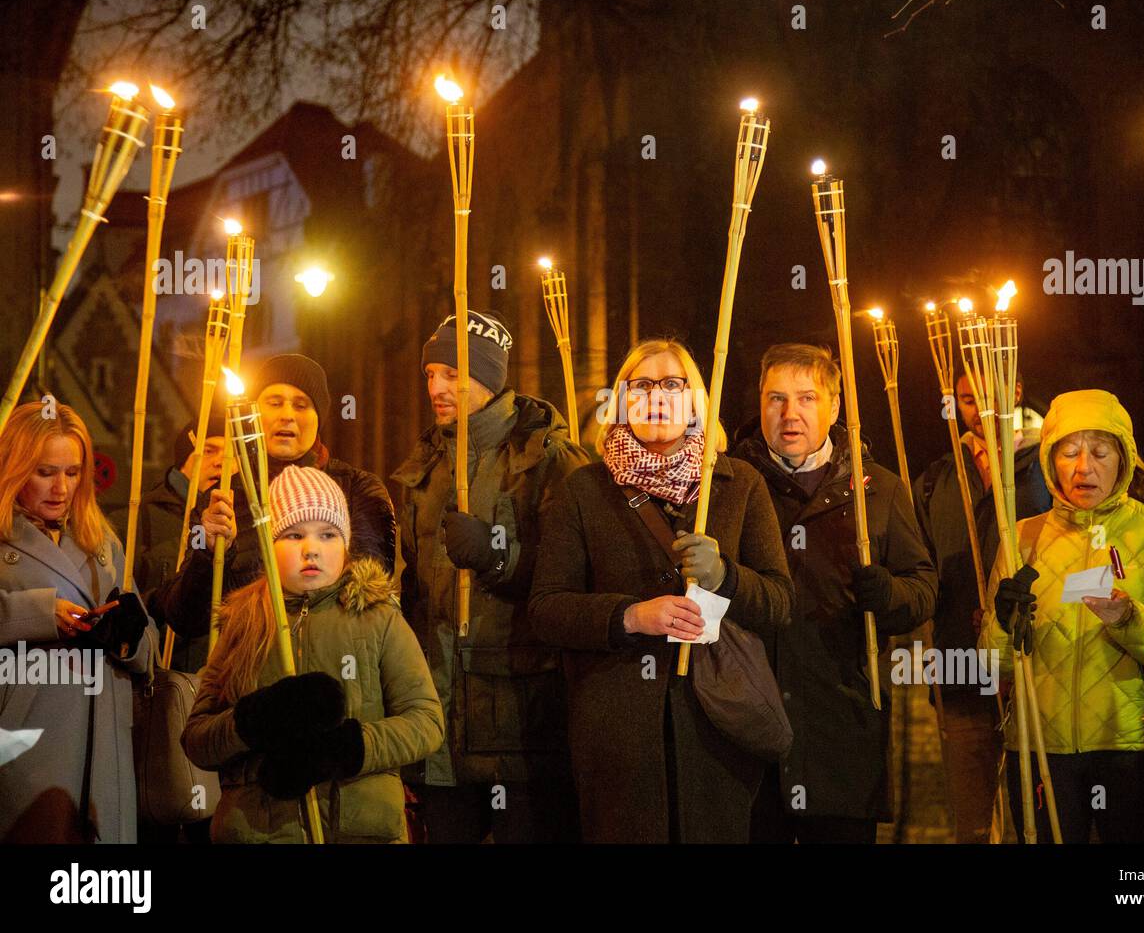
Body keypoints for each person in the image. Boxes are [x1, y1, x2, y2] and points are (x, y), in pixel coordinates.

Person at [528, 338, 794, 842]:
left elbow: (780, 603)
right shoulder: (584, 490)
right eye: (642, 385)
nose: (657, 396)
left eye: (673, 384)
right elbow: (547, 608)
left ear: (696, 398)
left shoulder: (739, 484)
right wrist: (630, 617)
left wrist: (724, 576)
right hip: (618, 740)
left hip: (718, 732)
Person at [392, 310, 588, 843]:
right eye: (430, 374)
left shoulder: (548, 459)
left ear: (490, 376)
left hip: (521, 728)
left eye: (452, 373)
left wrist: (496, 555)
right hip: (439, 724)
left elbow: (576, 582)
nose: (436, 387)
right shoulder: (427, 463)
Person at [732, 343, 936, 844]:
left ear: (834, 406)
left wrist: (887, 594)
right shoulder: (730, 482)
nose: (790, 413)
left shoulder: (876, 490)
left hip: (841, 725)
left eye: (806, 398)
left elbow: (923, 588)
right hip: (746, 726)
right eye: (776, 398)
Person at [182, 465, 443, 842]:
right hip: (260, 833)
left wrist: (345, 749)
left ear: (346, 543)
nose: (312, 549)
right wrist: (250, 720)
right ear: (269, 546)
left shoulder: (378, 618)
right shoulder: (242, 622)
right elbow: (197, 739)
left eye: (327, 534)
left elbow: (426, 721)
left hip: (359, 833)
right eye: (293, 534)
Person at [979, 389, 1144, 843]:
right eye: (1069, 451)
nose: (1083, 467)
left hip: (1133, 748)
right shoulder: (1021, 539)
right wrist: (1002, 621)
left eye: (1100, 451)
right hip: (1040, 751)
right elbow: (990, 665)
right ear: (1050, 460)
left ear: (1124, 458)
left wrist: (1126, 617)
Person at [152, 353, 396, 652]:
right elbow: (187, 619)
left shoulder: (357, 490)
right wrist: (212, 554)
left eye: (301, 404)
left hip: (330, 668)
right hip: (246, 673)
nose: (287, 415)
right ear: (254, 414)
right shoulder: (225, 497)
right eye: (275, 402)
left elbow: (369, 598)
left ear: (320, 417)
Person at [0, 401, 156, 843]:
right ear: (14, 466)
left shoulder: (101, 539)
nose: (61, 488)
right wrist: (38, 612)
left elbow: (150, 649)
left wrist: (128, 636)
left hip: (105, 742)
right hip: (25, 737)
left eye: (72, 472)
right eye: (45, 472)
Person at [913, 370, 1051, 842]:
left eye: (988, 396)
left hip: (1038, 673)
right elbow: (920, 571)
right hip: (962, 671)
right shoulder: (936, 478)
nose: (978, 409)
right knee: (973, 825)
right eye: (966, 399)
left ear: (1013, 390)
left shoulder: (1052, 465)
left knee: (1043, 817)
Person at [110, 413, 225, 675]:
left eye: (231, 456)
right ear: (184, 460)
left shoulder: (245, 526)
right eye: (209, 450)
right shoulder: (134, 521)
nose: (221, 462)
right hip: (159, 677)